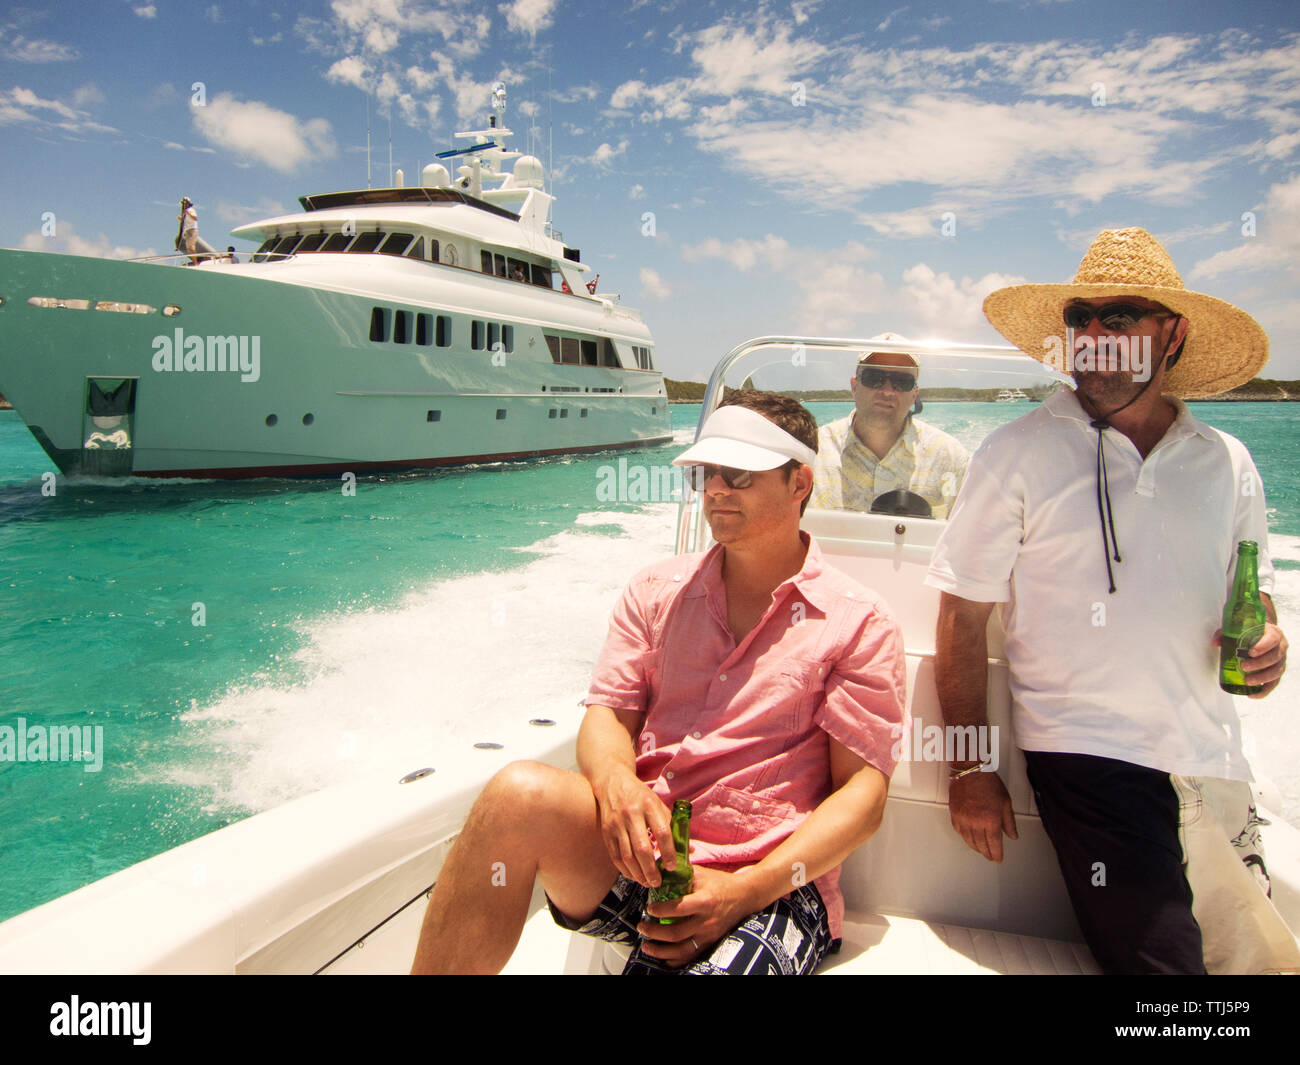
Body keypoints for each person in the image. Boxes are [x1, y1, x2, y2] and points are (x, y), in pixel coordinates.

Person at [411, 390, 907, 975]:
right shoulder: (654, 592)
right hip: (644, 857)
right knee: (516, 796)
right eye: (706, 473)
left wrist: (742, 891)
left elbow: (863, 797)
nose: (715, 489)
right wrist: (617, 782)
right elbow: (607, 715)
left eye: (738, 475)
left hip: (768, 883)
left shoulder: (859, 621)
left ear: (799, 483)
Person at [926, 226, 1295, 974]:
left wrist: (1269, 653)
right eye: (1079, 317)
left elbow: (1254, 608)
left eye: (1119, 315)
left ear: (1174, 332)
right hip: (1092, 760)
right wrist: (967, 765)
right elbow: (962, 614)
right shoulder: (1018, 451)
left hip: (1214, 759)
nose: (1093, 334)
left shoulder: (1228, 462)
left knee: (1263, 964)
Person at [807, 336, 969, 518]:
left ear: (914, 394)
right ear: (854, 386)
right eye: (874, 378)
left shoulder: (950, 457)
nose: (887, 391)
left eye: (902, 382)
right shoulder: (812, 451)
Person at [177, 197, 199, 264]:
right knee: (189, 248)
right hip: (187, 231)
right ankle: (195, 262)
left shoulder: (190, 210)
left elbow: (195, 218)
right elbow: (185, 222)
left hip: (192, 230)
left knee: (191, 248)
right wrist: (181, 219)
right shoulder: (185, 213)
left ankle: (196, 263)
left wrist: (188, 213)